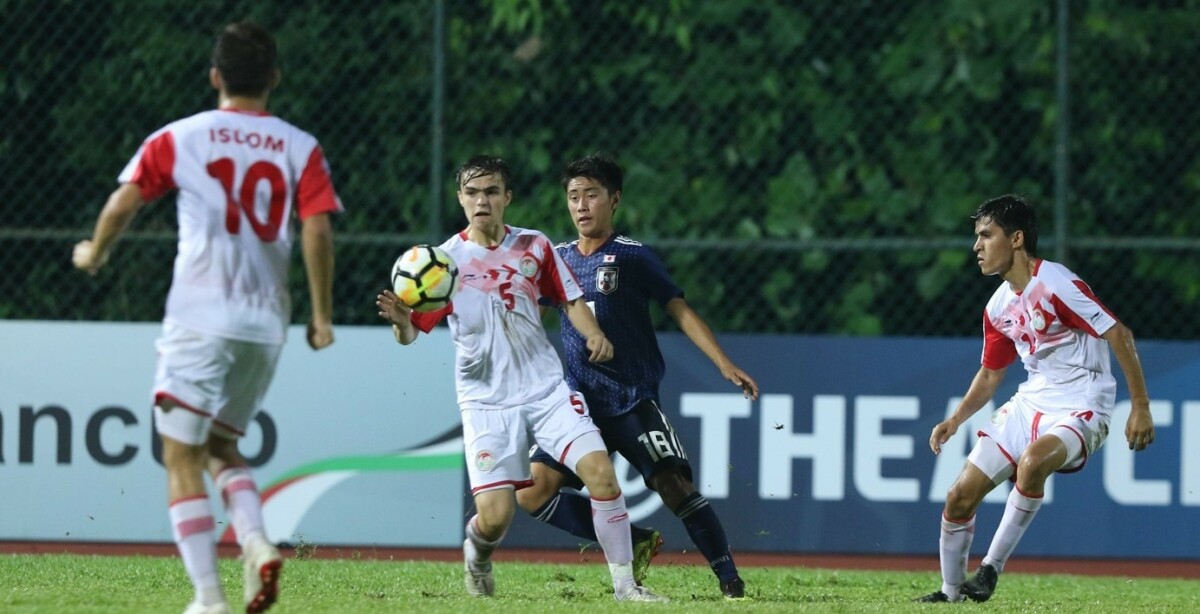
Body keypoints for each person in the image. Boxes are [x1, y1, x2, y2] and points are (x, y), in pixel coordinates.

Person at [72, 21, 341, 614]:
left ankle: (208, 597)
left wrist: (95, 252)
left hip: (198, 318)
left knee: (180, 457)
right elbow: (317, 228)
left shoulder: (182, 136)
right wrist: (321, 314)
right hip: (264, 325)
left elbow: (123, 202)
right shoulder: (300, 146)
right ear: (274, 78)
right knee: (222, 446)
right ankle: (255, 541)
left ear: (215, 76)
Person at [375, 155, 667, 603]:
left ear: (506, 197)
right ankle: (477, 553)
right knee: (495, 517)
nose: (482, 201)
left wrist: (593, 333)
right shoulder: (444, 264)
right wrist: (401, 322)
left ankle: (626, 588)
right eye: (472, 193)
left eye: (491, 191)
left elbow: (570, 299)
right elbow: (410, 334)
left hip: (546, 391)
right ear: (460, 199)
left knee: (601, 475)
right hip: (486, 402)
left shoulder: (535, 246)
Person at [513, 154, 759, 599]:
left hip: (630, 398)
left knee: (673, 485)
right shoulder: (558, 260)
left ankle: (731, 582)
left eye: (591, 195)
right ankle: (636, 540)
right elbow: (529, 311)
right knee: (531, 492)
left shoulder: (632, 255)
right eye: (573, 196)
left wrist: (723, 363)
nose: (581, 205)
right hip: (578, 403)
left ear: (614, 199)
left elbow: (678, 308)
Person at [915, 194, 1154, 604]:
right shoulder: (998, 306)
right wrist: (955, 420)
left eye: (986, 235)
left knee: (1032, 463)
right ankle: (950, 594)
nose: (976, 246)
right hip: (1031, 402)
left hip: (1083, 402)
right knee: (959, 497)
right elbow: (991, 373)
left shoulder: (1057, 284)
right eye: (977, 237)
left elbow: (1119, 334)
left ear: (1017, 239)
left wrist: (1141, 407)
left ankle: (990, 569)